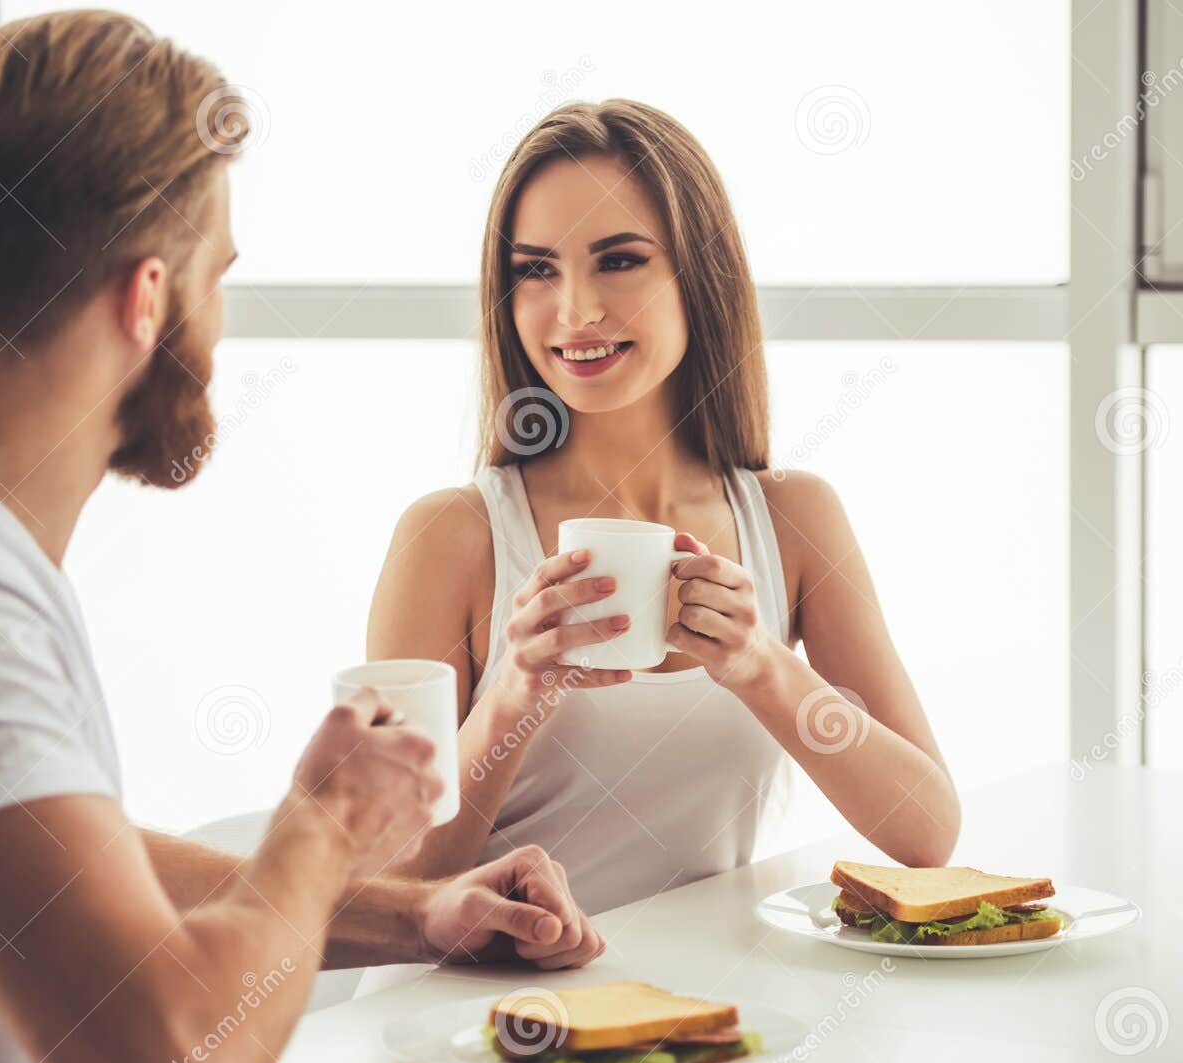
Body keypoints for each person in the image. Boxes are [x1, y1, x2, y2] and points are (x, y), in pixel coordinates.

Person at [0, 10, 602, 1063]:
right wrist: (324, 826)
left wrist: (418, 912)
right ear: (148, 295)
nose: (219, 330)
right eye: (215, 277)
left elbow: (45, 851)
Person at [367, 100, 961, 915]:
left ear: (700, 274)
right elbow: (389, 888)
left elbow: (926, 834)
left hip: (686, 1021)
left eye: (619, 260)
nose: (575, 309)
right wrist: (516, 691)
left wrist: (761, 666)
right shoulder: (449, 537)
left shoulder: (794, 521)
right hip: (471, 1026)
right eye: (535, 269)